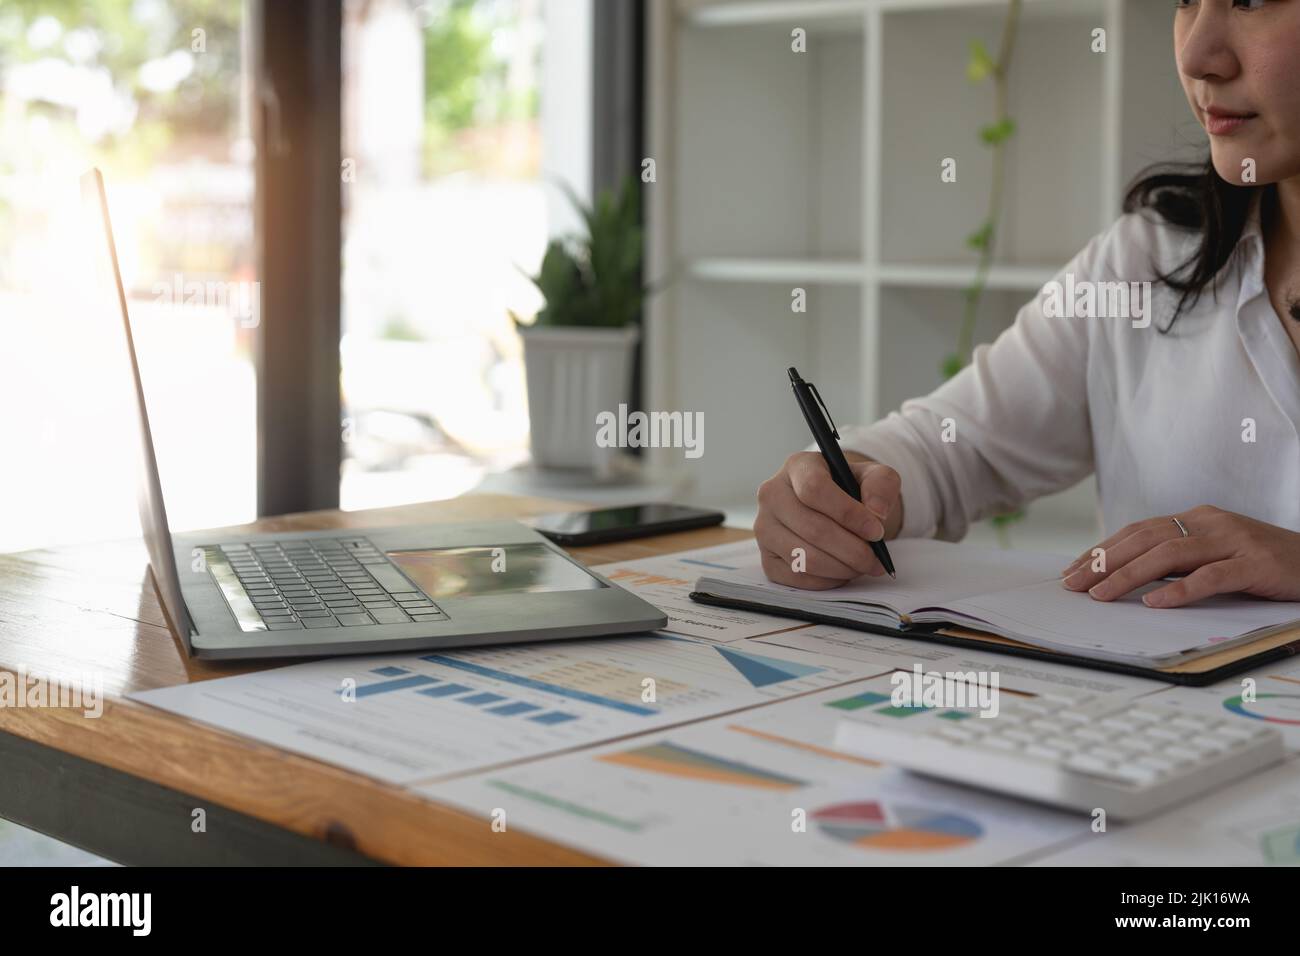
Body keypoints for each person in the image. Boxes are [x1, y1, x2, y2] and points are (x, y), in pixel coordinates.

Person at [755, 0, 1300, 608]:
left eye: (1251, 0)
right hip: (1160, 702)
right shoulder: (1145, 262)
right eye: (1184, 1)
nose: (1197, 55)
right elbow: (956, 446)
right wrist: (836, 489)